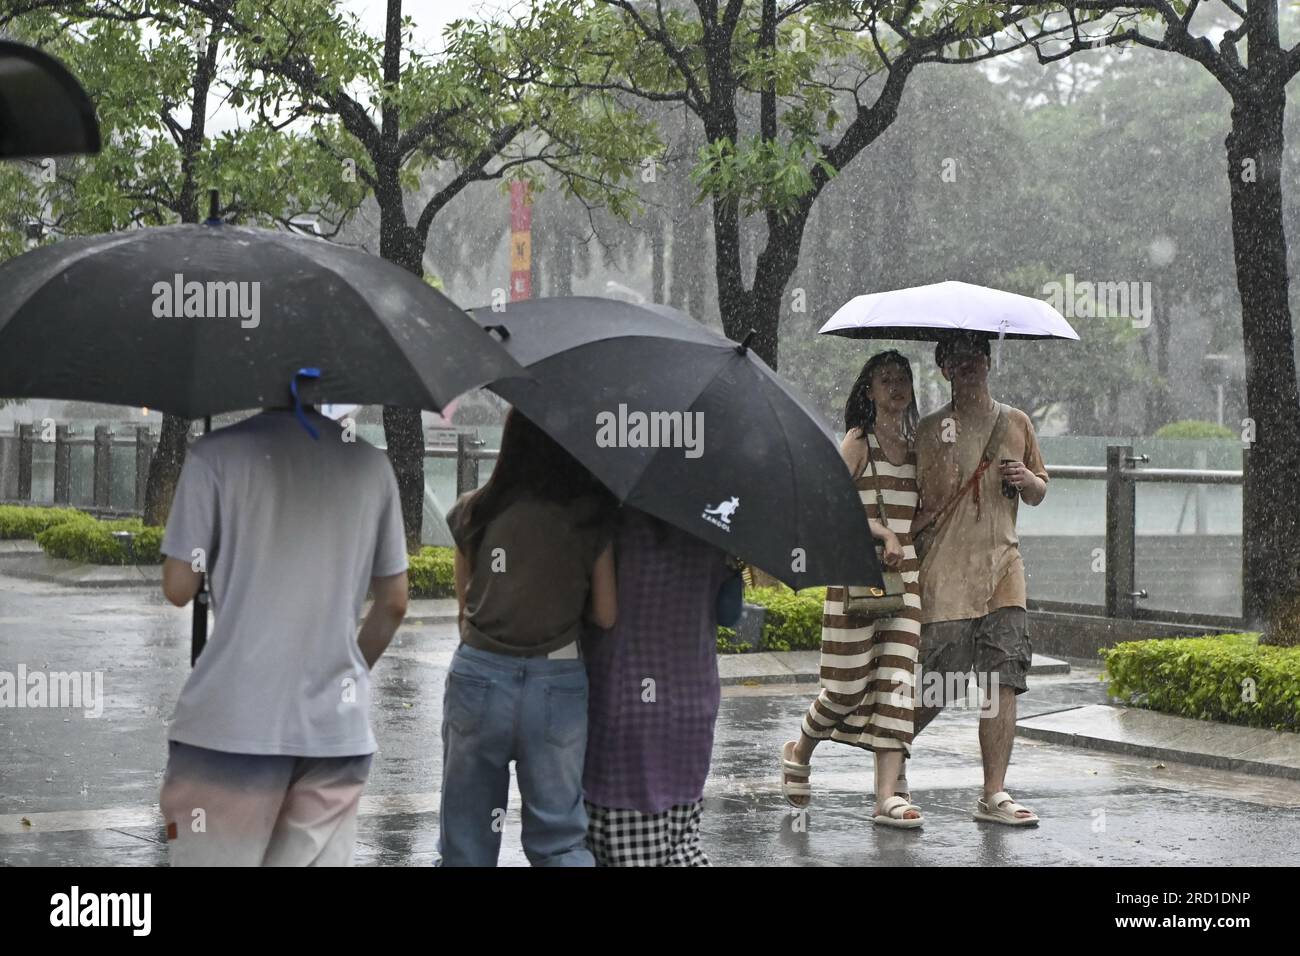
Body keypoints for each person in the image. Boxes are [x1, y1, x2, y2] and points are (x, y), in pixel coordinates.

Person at [159, 402, 409, 866]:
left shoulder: (214, 456)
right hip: (336, 734)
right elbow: (393, 602)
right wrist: (346, 671)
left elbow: (179, 587)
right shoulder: (371, 464)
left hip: (229, 729)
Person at [439, 408, 618, 866]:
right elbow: (605, 614)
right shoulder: (589, 519)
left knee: (466, 838)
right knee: (559, 839)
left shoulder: (473, 510)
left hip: (478, 677)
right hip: (557, 681)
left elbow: (466, 612)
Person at [780, 350, 924, 827]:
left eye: (903, 379)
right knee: (844, 688)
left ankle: (887, 796)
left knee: (896, 688)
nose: (896, 388)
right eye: (886, 380)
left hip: (905, 584)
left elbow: (918, 516)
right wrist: (881, 533)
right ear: (870, 391)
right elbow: (828, 507)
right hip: (855, 579)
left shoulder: (918, 445)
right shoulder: (858, 442)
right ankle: (801, 747)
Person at [910, 331, 1048, 826]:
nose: (969, 367)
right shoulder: (928, 430)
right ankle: (892, 760)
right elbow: (920, 503)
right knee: (938, 685)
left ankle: (994, 793)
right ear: (944, 369)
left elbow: (1038, 490)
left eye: (976, 358)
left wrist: (1026, 481)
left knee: (1002, 678)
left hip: (1003, 571)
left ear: (989, 363)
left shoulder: (1016, 423)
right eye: (957, 360)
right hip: (946, 577)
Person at [582, 508, 741, 866]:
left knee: (624, 849)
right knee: (682, 845)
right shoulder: (715, 525)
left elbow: (597, 610)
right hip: (692, 705)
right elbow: (730, 615)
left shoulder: (611, 519)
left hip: (623, 700)